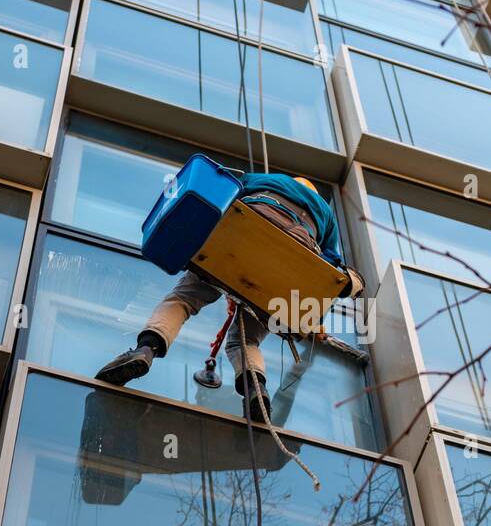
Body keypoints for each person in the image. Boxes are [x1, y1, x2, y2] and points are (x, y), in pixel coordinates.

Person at [95, 173, 362, 425]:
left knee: (182, 300)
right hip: (285, 268)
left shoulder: (265, 179)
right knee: (246, 340)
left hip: (237, 241)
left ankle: (145, 351)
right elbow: (331, 264)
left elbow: (224, 193)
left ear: (290, 182)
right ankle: (256, 390)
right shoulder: (326, 214)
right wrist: (315, 321)